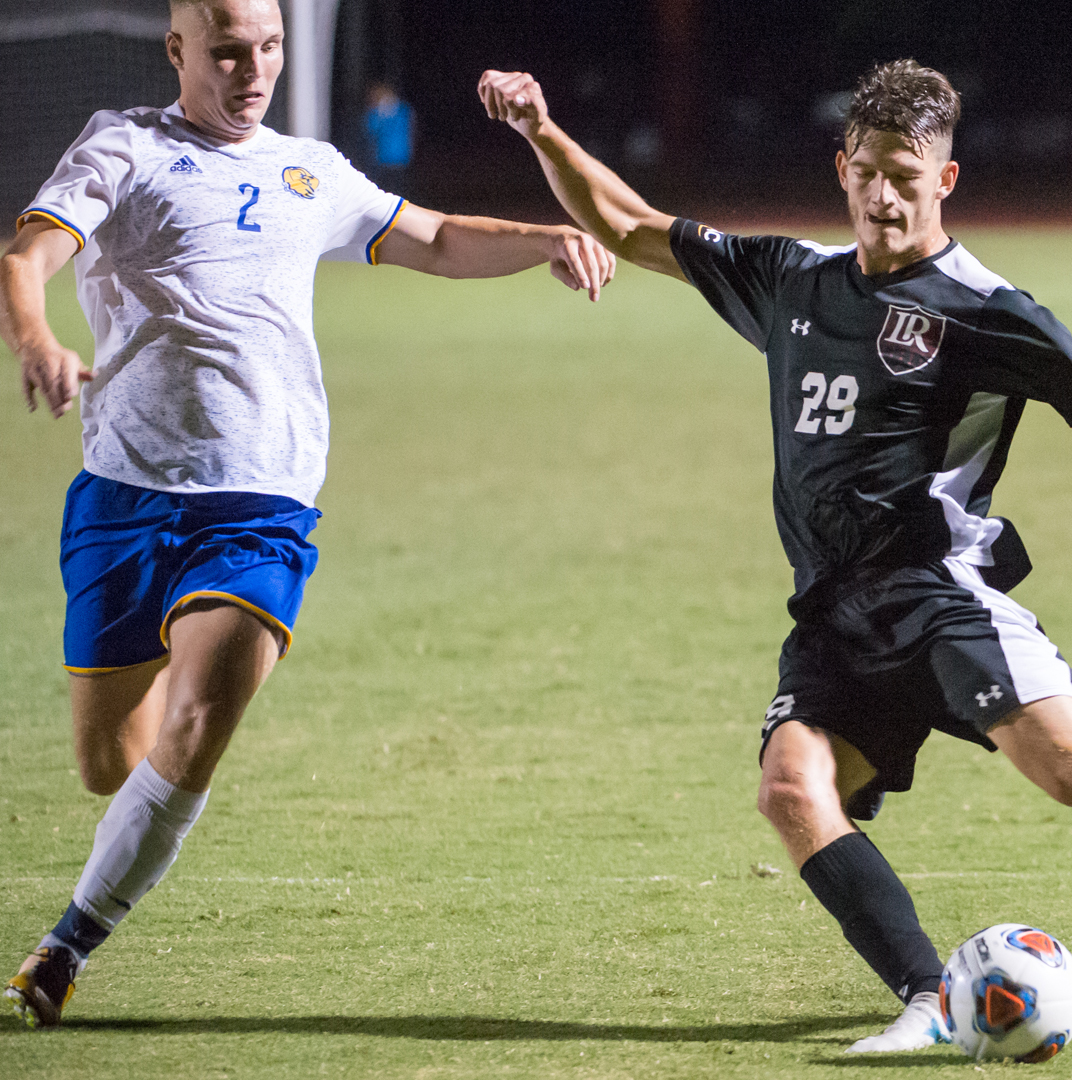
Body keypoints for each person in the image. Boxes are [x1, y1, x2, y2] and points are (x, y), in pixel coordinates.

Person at [477, 59, 1072, 1053]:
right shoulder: (791, 278)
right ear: (842, 167)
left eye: (906, 178)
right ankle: (931, 998)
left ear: (944, 182)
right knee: (791, 790)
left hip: (941, 601)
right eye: (868, 171)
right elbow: (624, 224)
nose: (883, 195)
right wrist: (540, 129)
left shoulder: (989, 312)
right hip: (834, 613)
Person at [3, 0, 614, 1029]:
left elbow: (432, 237)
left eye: (271, 48)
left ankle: (66, 945)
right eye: (230, 50)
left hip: (262, 497)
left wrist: (542, 237)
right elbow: (27, 258)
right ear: (178, 50)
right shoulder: (123, 146)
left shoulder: (310, 170)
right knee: (111, 763)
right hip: (124, 494)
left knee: (197, 727)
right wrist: (35, 336)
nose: (254, 70)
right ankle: (138, 815)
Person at [362, 81, 414, 192]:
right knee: (390, 187)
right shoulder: (402, 109)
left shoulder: (397, 111)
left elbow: (370, 130)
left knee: (392, 187)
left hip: (391, 156)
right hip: (393, 156)